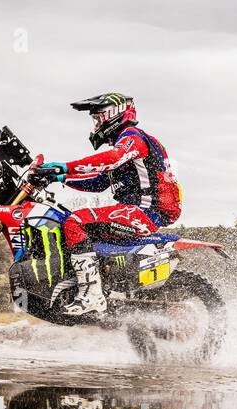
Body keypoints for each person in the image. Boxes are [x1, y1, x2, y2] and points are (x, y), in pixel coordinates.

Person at [38, 93, 182, 315]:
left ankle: (92, 297)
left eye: (97, 119)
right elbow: (97, 182)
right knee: (68, 221)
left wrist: (64, 167)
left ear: (113, 115)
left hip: (144, 213)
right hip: (132, 212)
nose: (95, 125)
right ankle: (91, 287)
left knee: (75, 221)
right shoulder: (123, 144)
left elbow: (113, 158)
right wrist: (59, 178)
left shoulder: (132, 137)